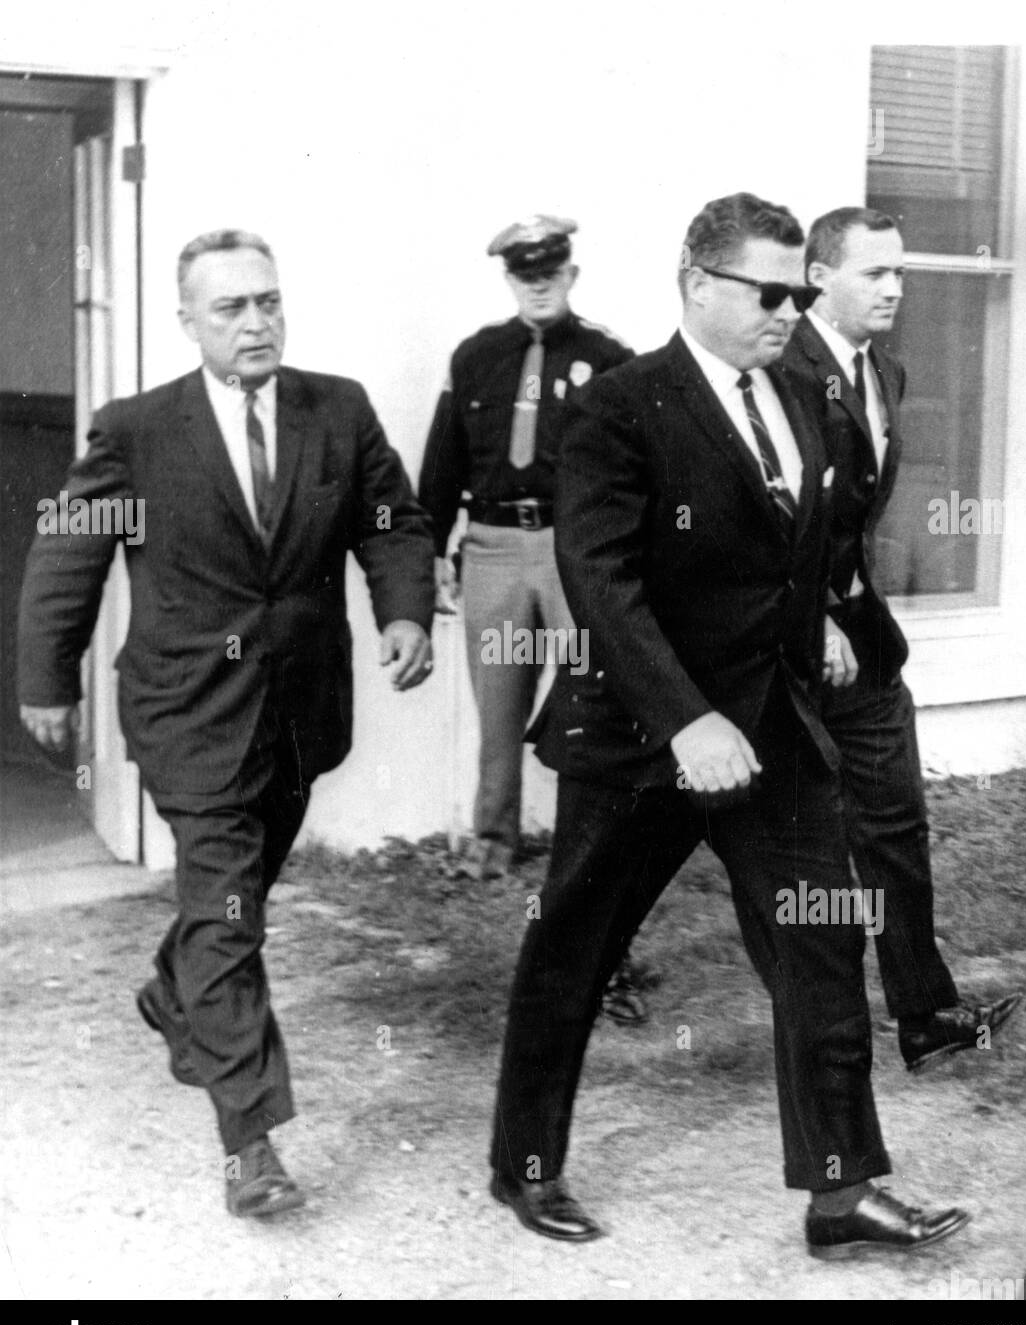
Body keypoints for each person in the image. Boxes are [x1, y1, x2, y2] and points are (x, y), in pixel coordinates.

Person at [489, 192, 970, 1257]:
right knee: (573, 947)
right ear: (696, 285)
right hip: (640, 742)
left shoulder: (801, 396)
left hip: (774, 735)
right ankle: (523, 1165)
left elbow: (807, 548)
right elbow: (601, 581)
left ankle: (841, 1194)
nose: (789, 309)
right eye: (768, 291)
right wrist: (685, 720)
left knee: (820, 942)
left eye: (800, 291)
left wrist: (826, 635)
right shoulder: (619, 407)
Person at [18, 229, 436, 1218]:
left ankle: (175, 991)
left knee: (232, 899)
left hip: (299, 713)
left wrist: (405, 607)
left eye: (268, 302)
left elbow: (391, 521)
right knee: (228, 911)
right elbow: (68, 553)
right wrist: (48, 680)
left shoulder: (335, 409)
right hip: (187, 711)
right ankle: (250, 1141)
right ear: (188, 322)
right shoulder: (136, 430)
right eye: (230, 308)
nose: (256, 323)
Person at [778, 206, 1023, 1071]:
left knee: (894, 824)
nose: (894, 289)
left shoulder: (886, 368)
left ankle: (925, 1015)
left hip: (859, 639)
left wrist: (847, 611)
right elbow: (763, 517)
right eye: (874, 273)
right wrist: (811, 619)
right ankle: (603, 969)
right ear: (818, 276)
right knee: (716, 830)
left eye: (900, 273)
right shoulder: (778, 369)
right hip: (776, 643)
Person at [417, 215, 633, 883]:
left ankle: (590, 843)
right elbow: (444, 456)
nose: (538, 286)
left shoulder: (608, 358)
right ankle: (492, 840)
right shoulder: (476, 356)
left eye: (550, 273)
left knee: (590, 694)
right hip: (493, 549)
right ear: (509, 279)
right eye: (524, 275)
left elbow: (634, 466)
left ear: (570, 273)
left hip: (574, 549)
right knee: (499, 703)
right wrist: (430, 547)